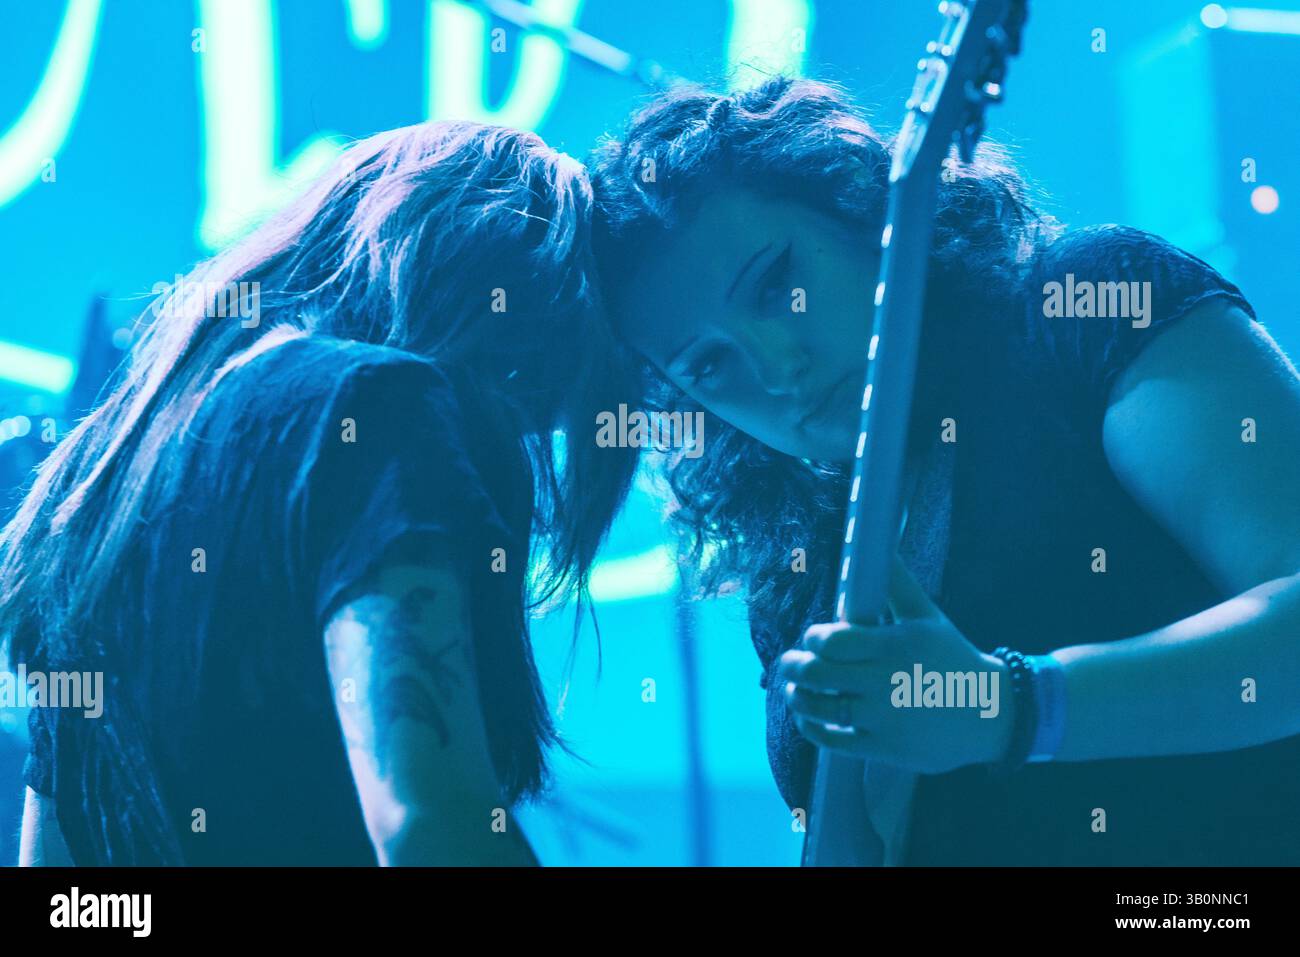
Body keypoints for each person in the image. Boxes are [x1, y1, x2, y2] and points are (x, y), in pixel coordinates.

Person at [588, 77, 1300, 865]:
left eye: (777, 282)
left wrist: (1013, 708)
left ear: (858, 206)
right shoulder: (804, 556)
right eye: (711, 365)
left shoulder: (1081, 306)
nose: (777, 364)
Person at [2, 122, 636, 865]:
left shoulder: (93, 479)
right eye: (530, 407)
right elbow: (427, 822)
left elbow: (58, 882)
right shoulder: (378, 404)